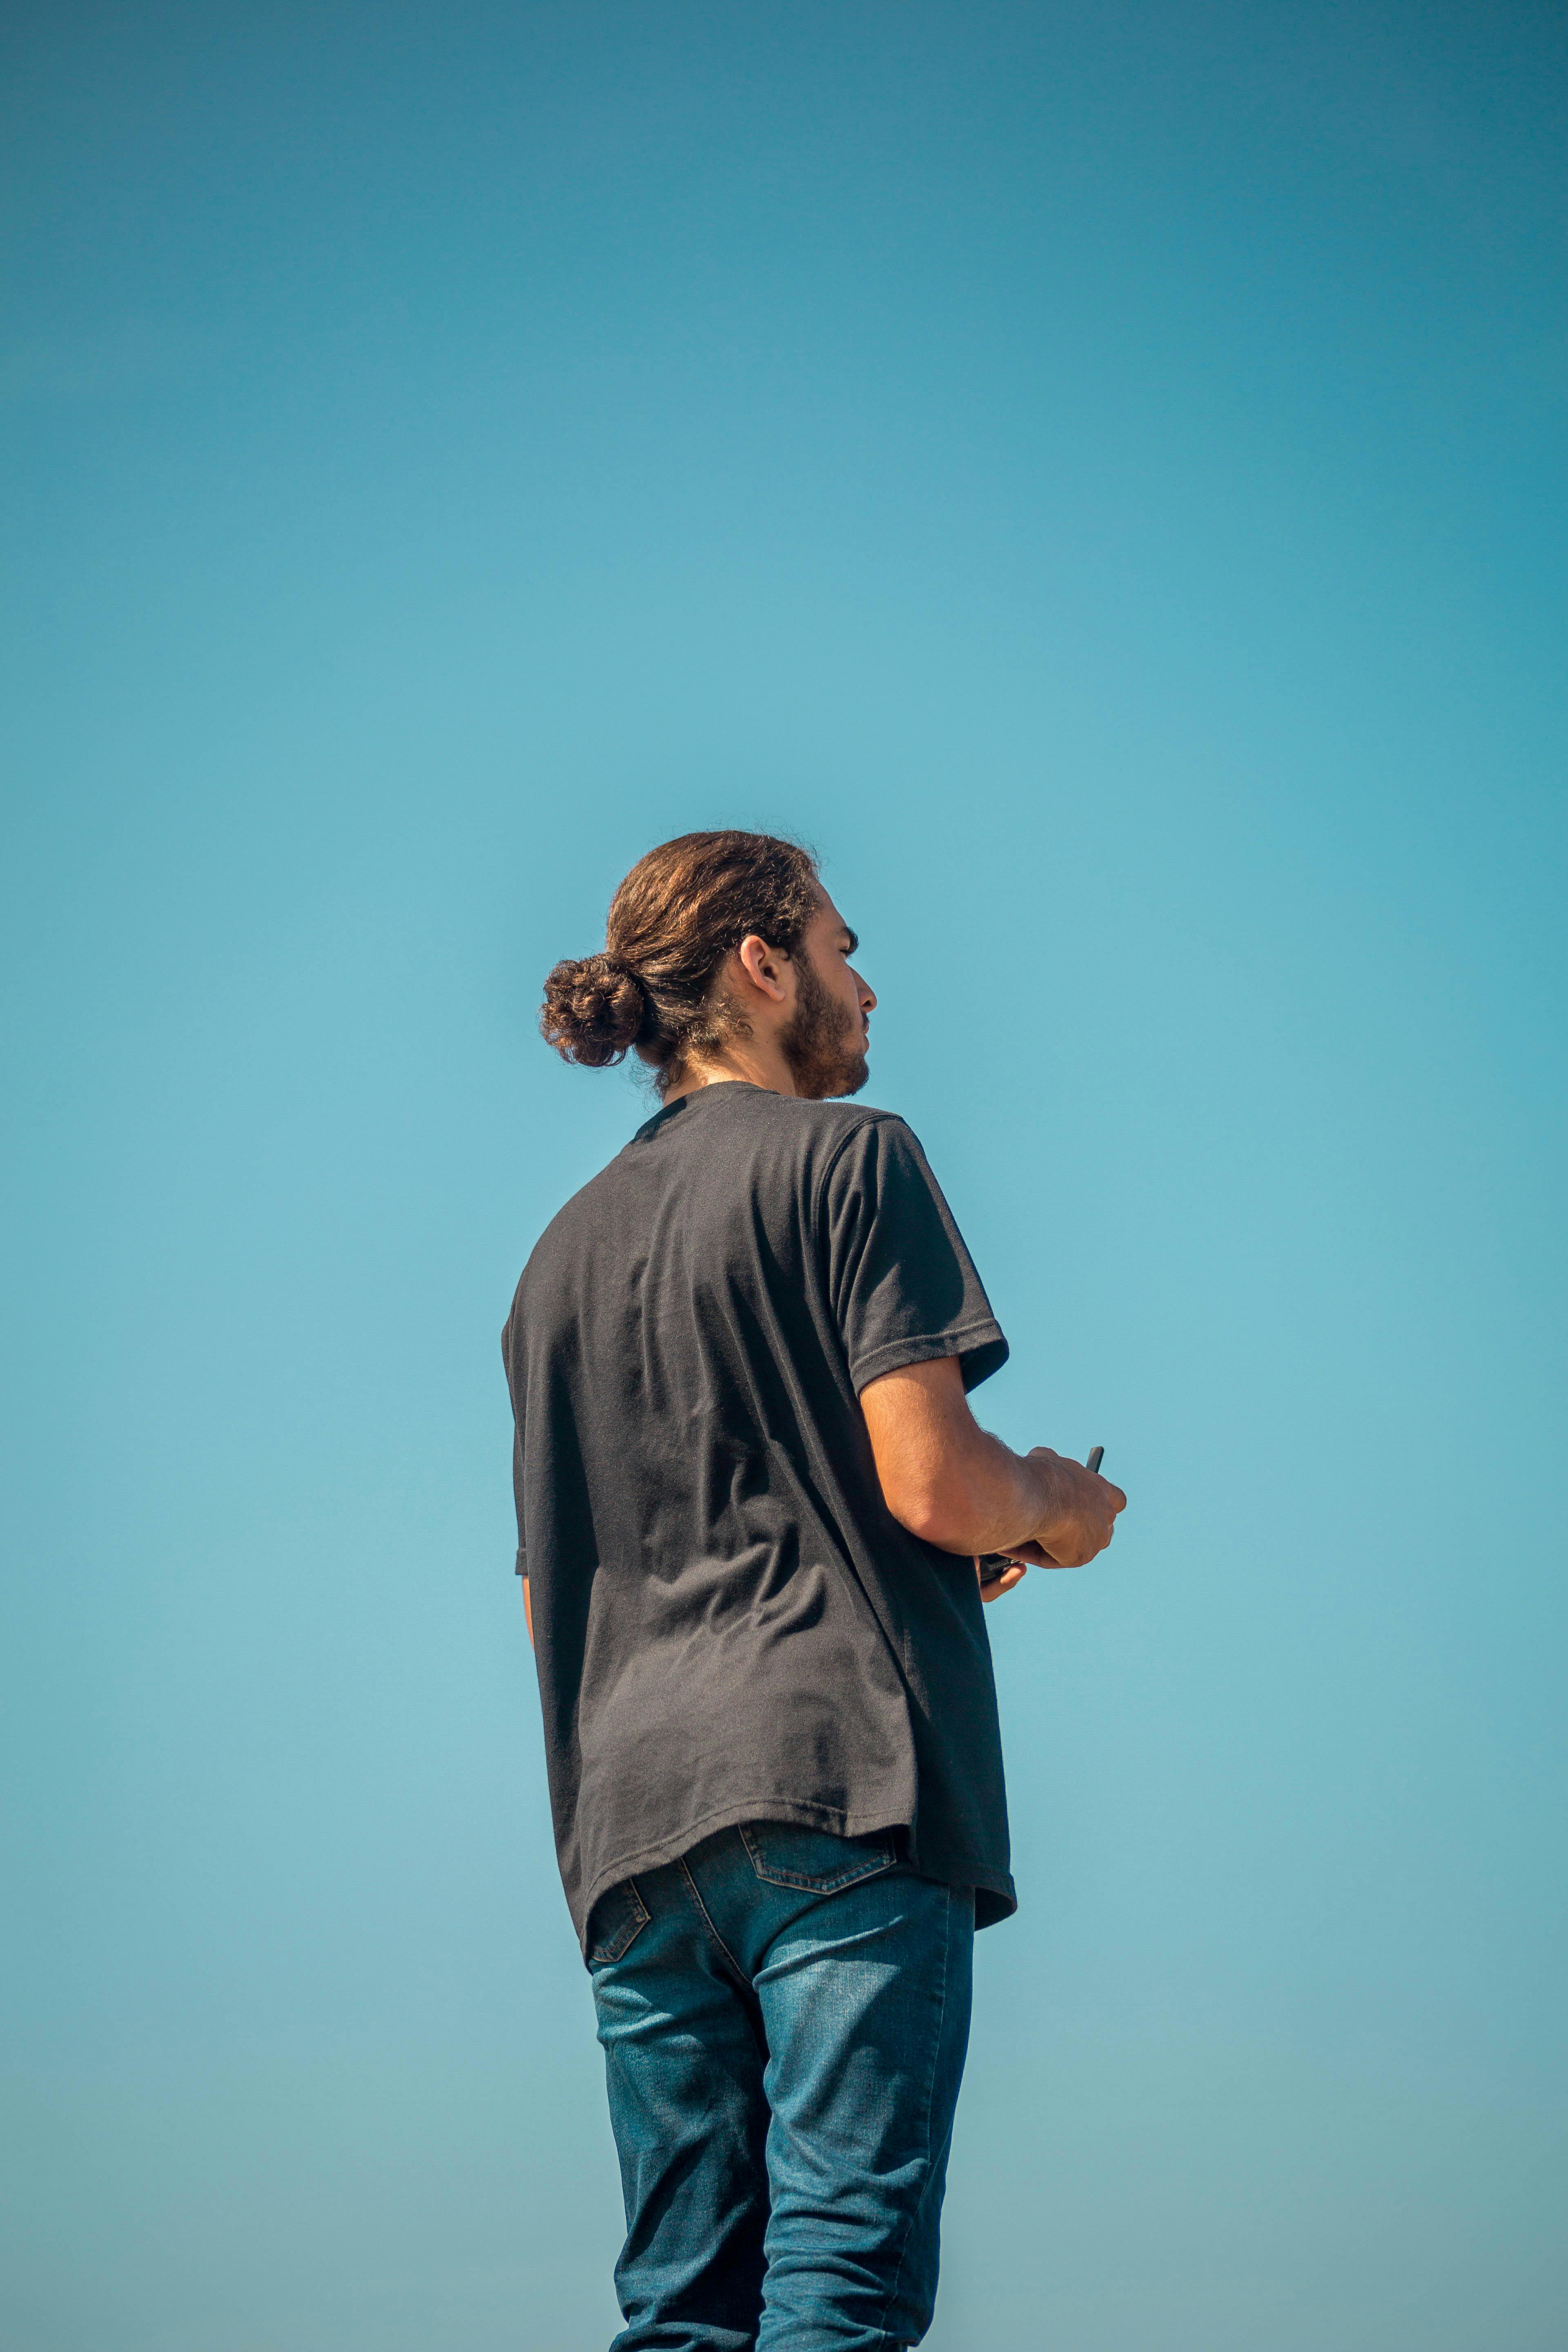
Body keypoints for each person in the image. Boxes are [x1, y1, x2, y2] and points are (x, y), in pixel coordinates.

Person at [501, 830, 1124, 2352]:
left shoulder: (551, 1263)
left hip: (632, 1841)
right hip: (841, 1793)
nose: (865, 982)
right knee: (839, 2278)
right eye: (843, 947)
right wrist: (1054, 1505)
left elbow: (557, 1601)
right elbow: (932, 1482)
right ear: (759, 964)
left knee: (681, 2310)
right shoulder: (856, 1158)